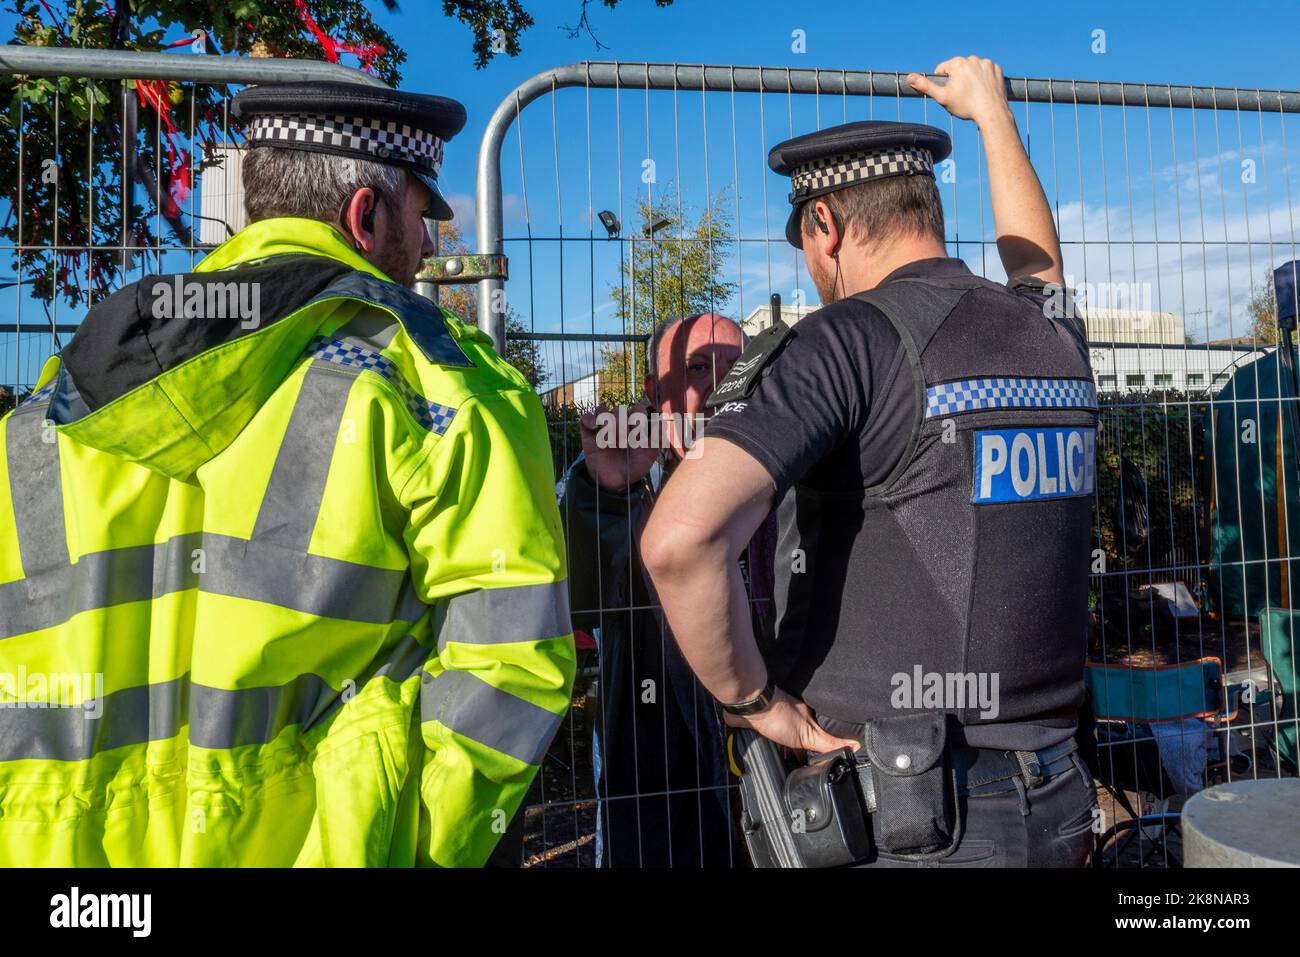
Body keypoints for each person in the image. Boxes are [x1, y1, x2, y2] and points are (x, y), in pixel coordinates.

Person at [0, 82, 574, 867]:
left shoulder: (69, 386)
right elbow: (512, 666)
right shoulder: (436, 381)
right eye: (419, 218)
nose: (431, 248)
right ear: (365, 215)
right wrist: (424, 848)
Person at [642, 56, 1100, 868]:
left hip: (908, 822)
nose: (814, 276)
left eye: (807, 248)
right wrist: (993, 116)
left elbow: (680, 540)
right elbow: (1039, 266)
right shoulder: (1053, 333)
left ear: (827, 224)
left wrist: (756, 702)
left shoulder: (847, 340)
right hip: (1059, 802)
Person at [560, 312, 770, 867]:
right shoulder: (630, 481)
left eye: (736, 367)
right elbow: (586, 600)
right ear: (656, 394)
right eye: (698, 368)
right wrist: (607, 493)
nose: (722, 385)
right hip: (658, 777)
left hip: (776, 775)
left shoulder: (787, 481)